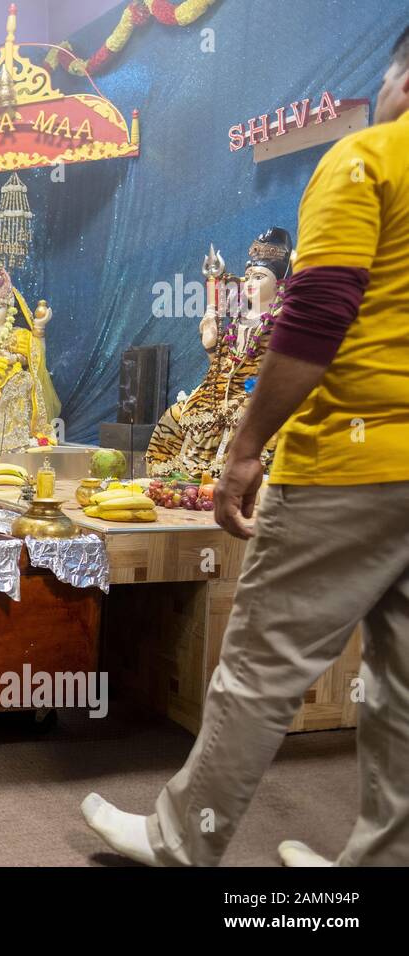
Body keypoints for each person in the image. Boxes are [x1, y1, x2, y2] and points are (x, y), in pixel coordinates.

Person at [81, 25, 409, 867]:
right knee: (402, 688)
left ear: (400, 79)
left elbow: (320, 311)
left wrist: (248, 443)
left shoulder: (370, 156)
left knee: (261, 667)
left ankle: (181, 842)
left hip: (351, 462)